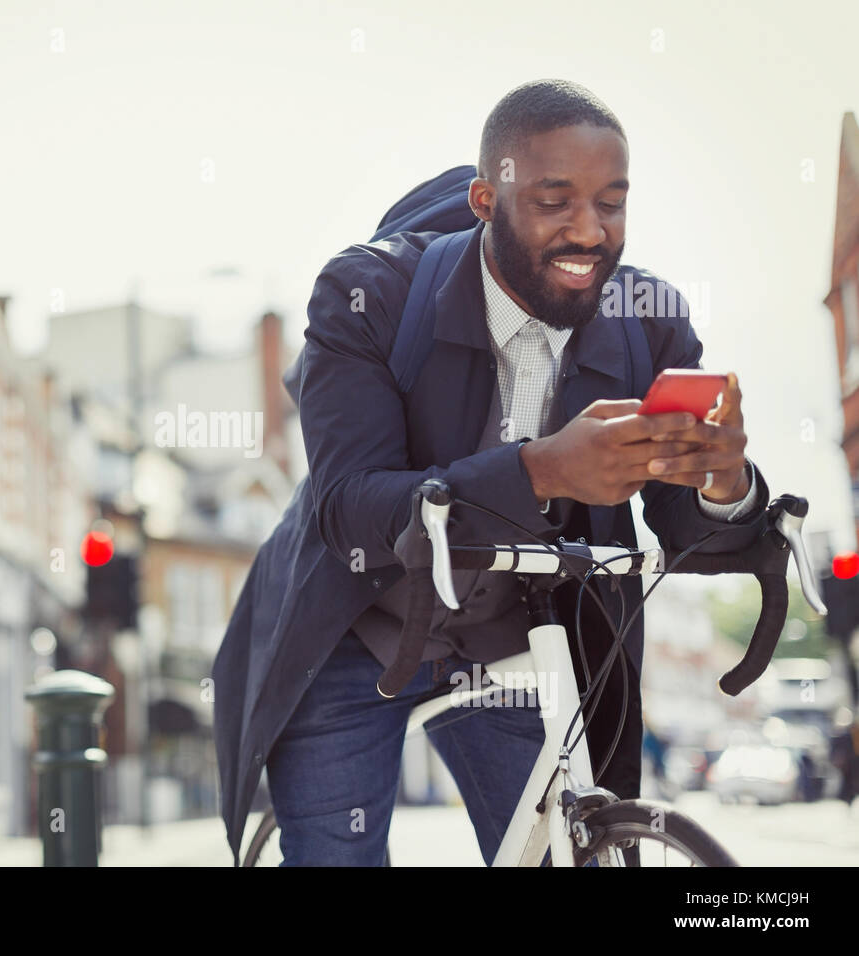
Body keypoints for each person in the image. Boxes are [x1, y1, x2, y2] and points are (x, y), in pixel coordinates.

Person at [212, 78, 773, 866]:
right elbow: (351, 509)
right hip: (355, 628)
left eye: (611, 203)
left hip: (511, 639)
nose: (590, 230)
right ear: (486, 201)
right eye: (554, 201)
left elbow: (683, 525)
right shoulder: (367, 294)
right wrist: (541, 470)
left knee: (555, 849)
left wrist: (721, 483)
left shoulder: (646, 320)